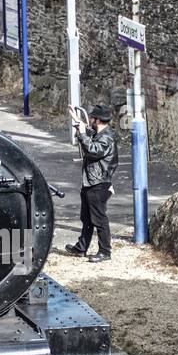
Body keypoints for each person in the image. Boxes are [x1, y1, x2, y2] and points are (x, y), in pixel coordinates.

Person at [64, 104, 118, 264]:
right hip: (91, 181)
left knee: (99, 219)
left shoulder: (106, 138)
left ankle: (104, 251)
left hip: (99, 183)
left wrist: (80, 134)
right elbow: (90, 133)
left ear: (98, 120)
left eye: (92, 118)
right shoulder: (100, 133)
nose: (91, 120)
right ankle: (81, 248)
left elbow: (93, 149)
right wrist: (77, 121)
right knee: (86, 217)